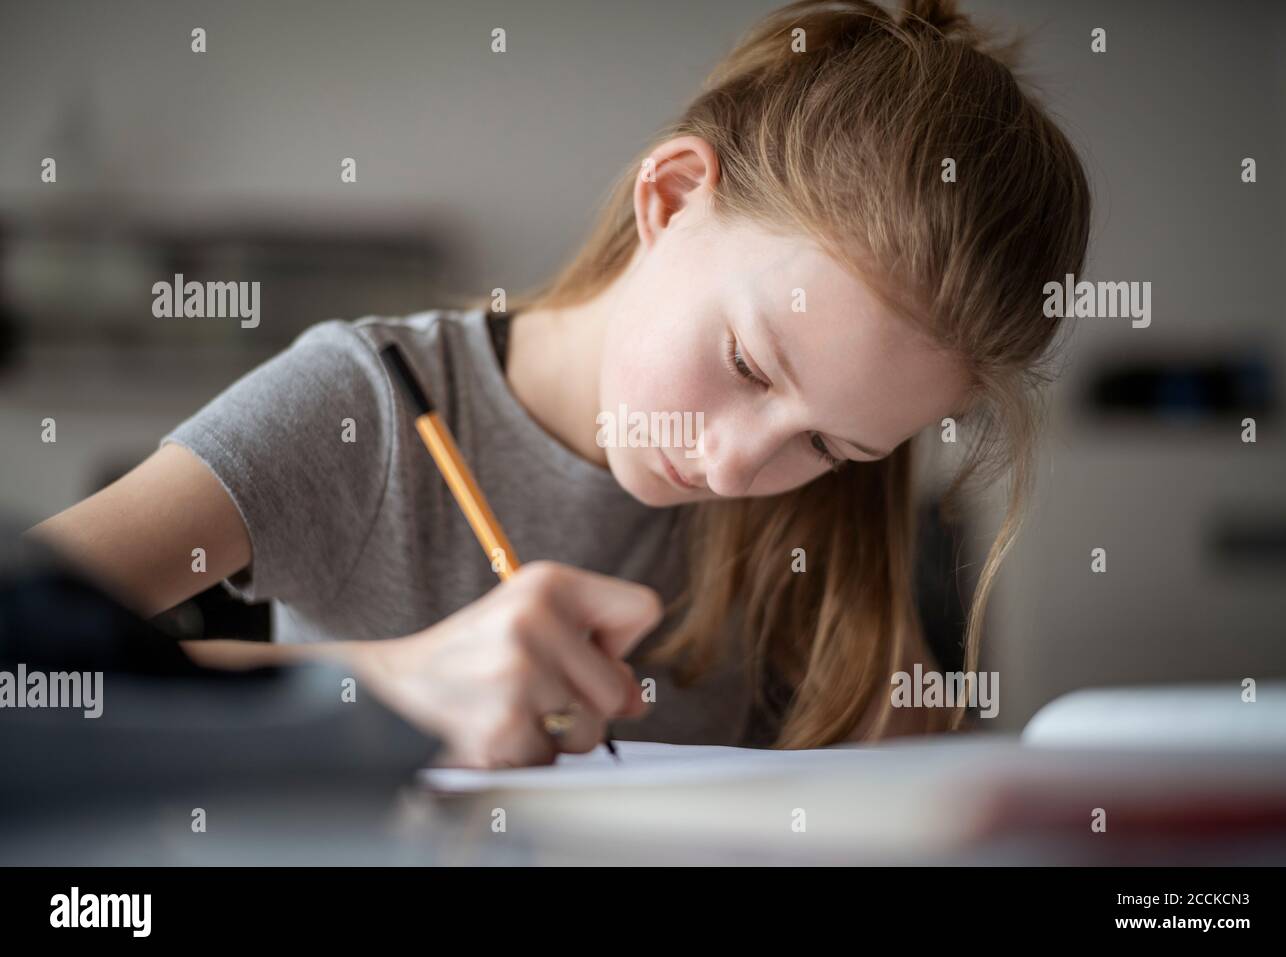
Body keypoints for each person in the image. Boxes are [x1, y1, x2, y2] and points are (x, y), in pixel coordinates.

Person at [28, 0, 1091, 768]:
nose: (735, 465)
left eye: (832, 446)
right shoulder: (365, 408)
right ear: (672, 199)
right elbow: (22, 649)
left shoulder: (822, 517)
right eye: (746, 367)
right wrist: (388, 682)